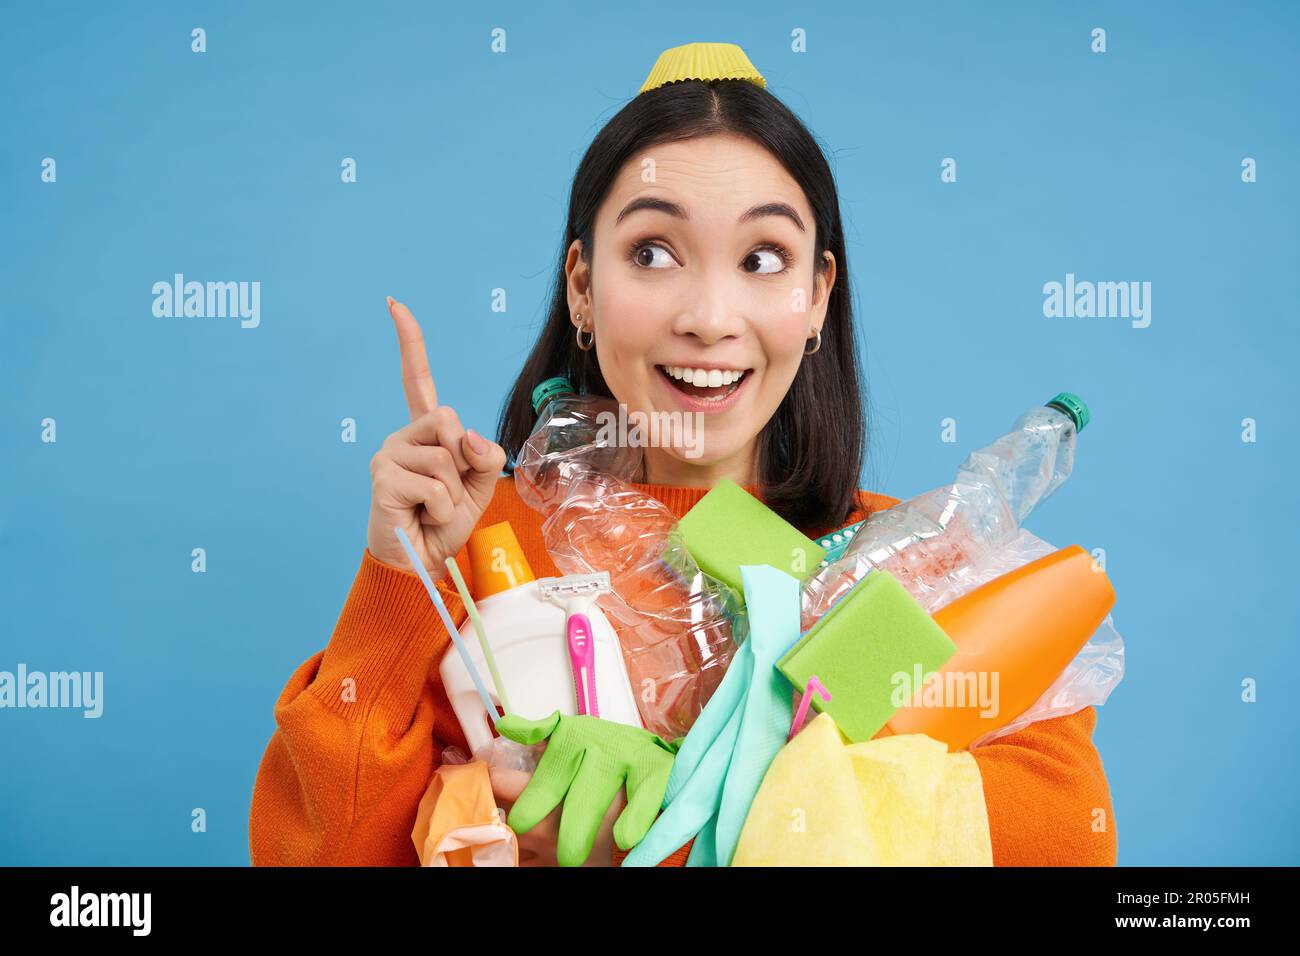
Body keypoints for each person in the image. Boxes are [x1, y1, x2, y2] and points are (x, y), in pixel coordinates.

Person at [248, 42, 1117, 867]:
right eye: (654, 252)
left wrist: (668, 821)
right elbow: (314, 852)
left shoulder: (916, 564)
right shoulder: (480, 547)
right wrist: (397, 576)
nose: (708, 315)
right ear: (583, 287)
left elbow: (1063, 834)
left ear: (817, 297)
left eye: (763, 257)